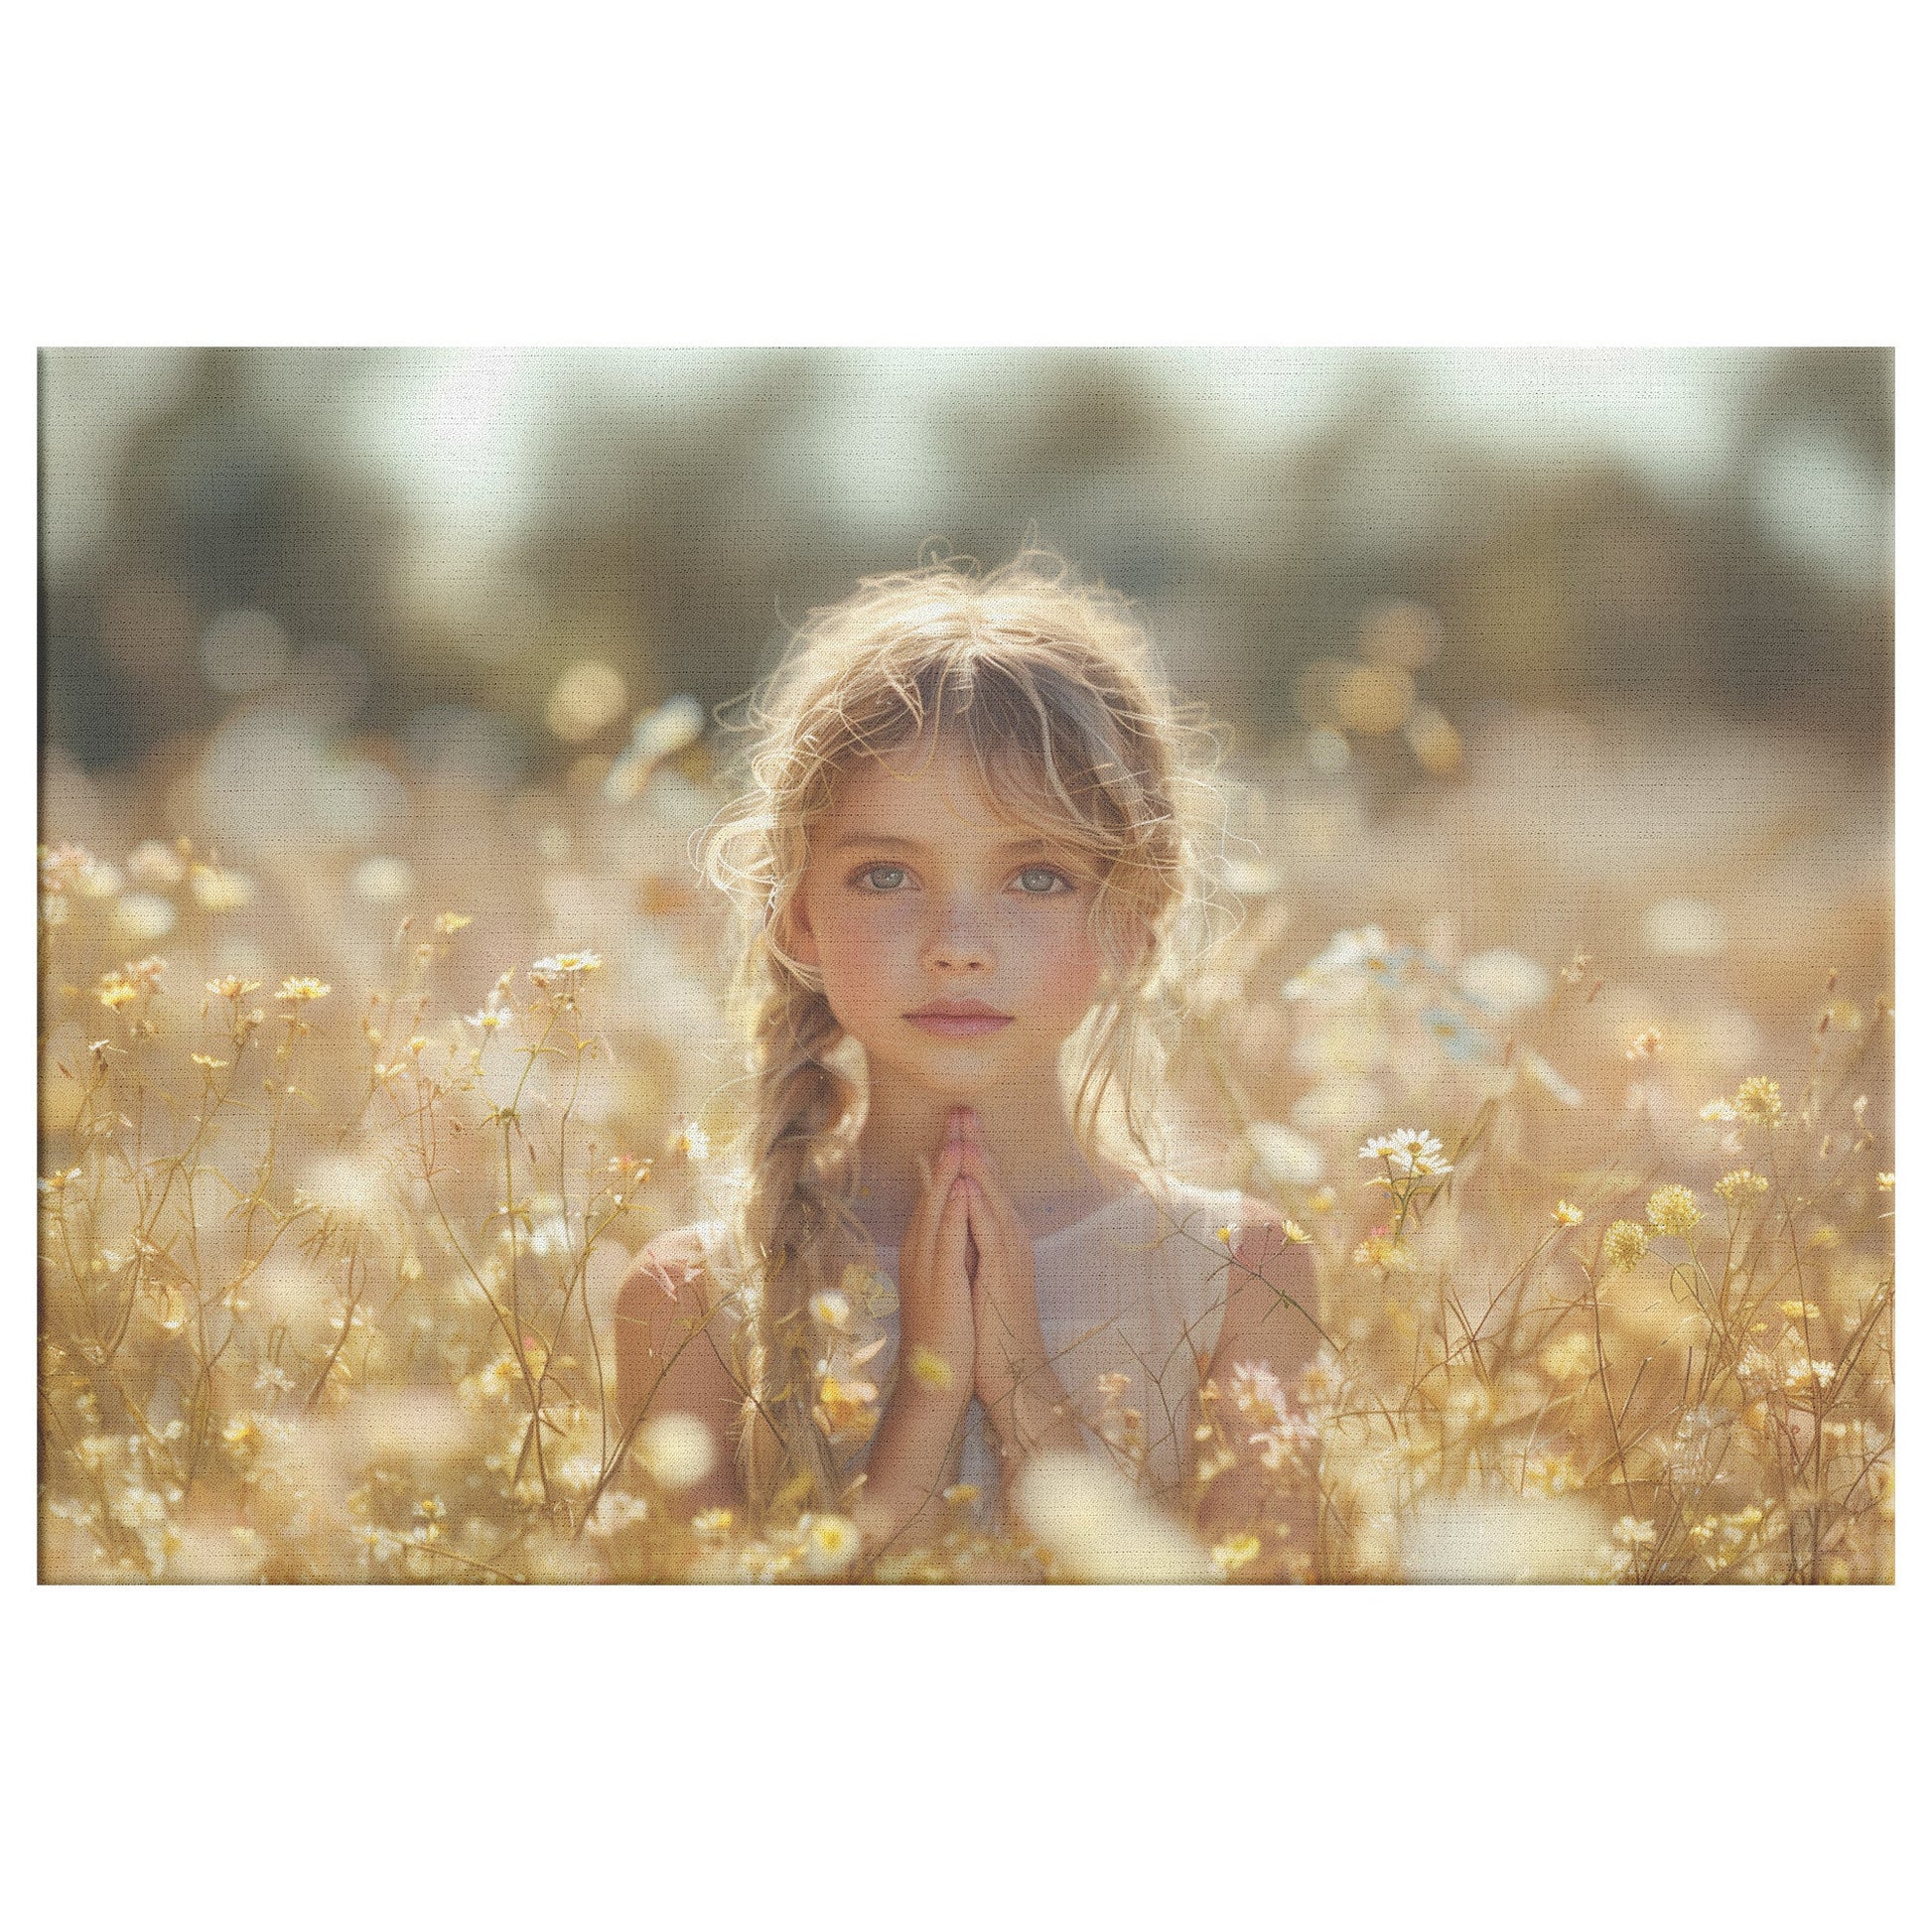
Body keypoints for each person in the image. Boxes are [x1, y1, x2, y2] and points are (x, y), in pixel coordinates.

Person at [614, 550, 1321, 1577]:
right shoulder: (690, 1295)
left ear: (1134, 919)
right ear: (797, 913)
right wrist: (926, 1401)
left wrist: (1027, 1389)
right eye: (885, 873)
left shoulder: (1240, 1275)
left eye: (1035, 875)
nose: (956, 940)